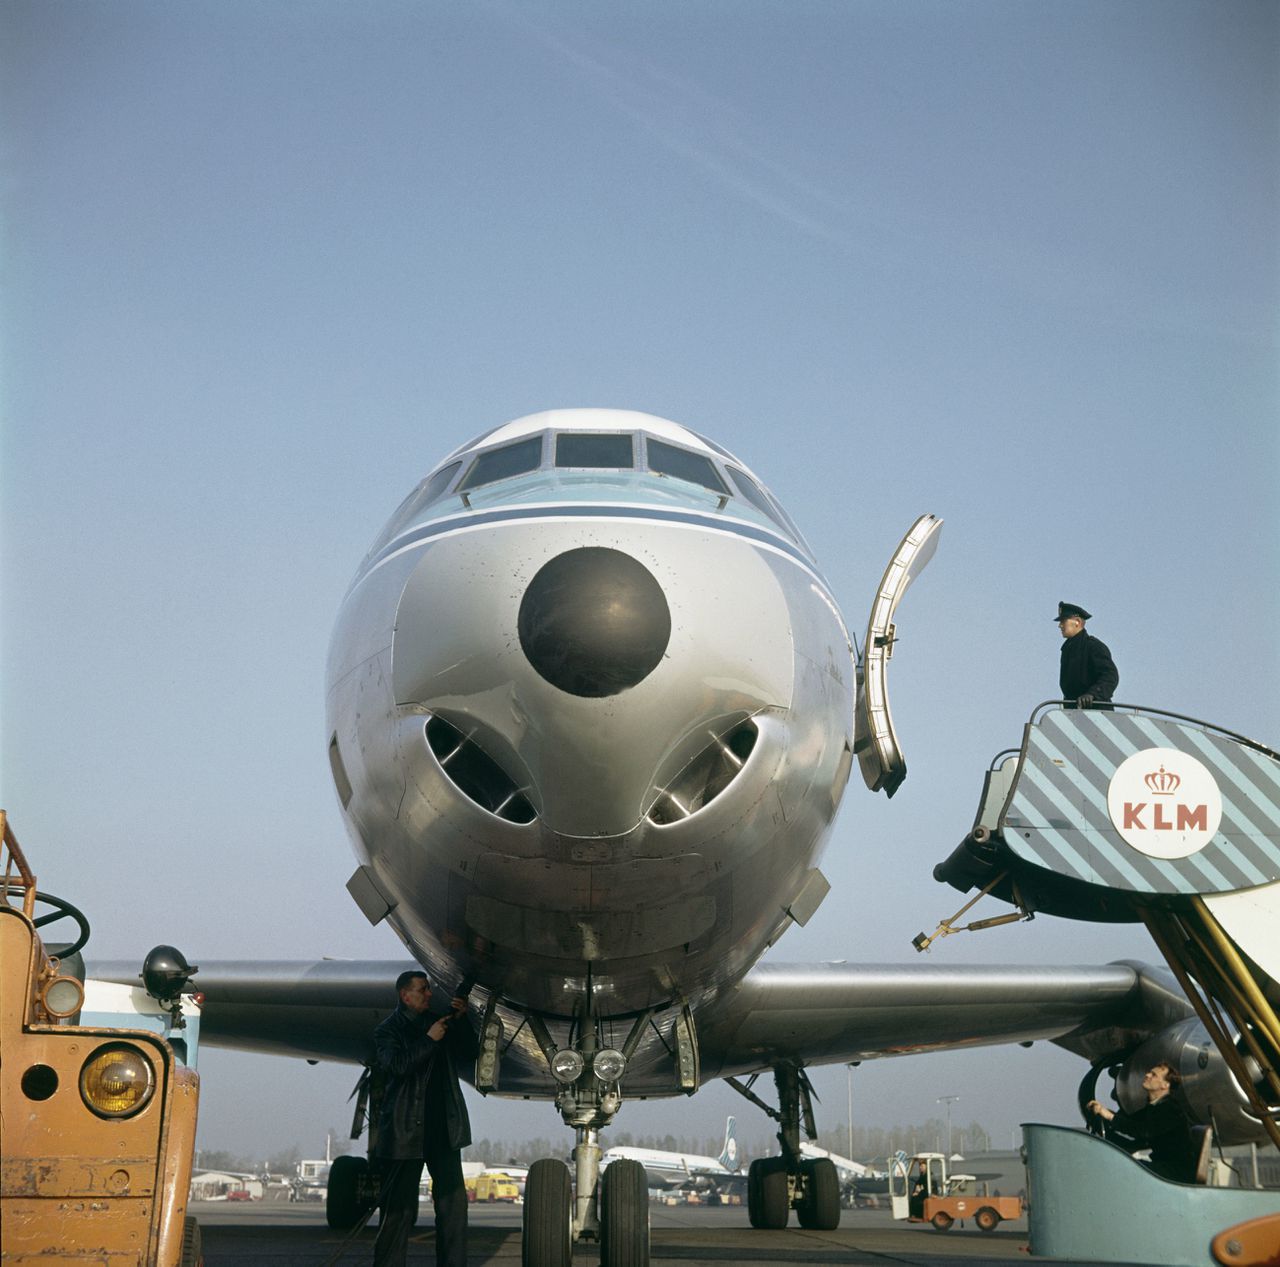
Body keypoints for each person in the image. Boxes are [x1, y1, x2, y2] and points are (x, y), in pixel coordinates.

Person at [371, 969, 478, 1267]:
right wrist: (430, 1040)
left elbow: (470, 1052)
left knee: (453, 1210)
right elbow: (397, 1066)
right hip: (405, 1137)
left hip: (444, 1133)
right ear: (406, 996)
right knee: (398, 1213)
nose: (429, 994)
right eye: (423, 989)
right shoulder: (387, 1031)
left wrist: (462, 1019)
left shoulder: (439, 1022)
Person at [1086, 1063, 1198, 1182]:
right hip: (1162, 1166)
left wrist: (1109, 1116)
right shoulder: (1154, 1107)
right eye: (1149, 1072)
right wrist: (1103, 1115)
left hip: (1176, 1173)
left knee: (1124, 1169)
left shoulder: (1171, 1109)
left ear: (1165, 1085)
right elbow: (1129, 1123)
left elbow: (1142, 1131)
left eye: (1154, 1075)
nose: (1147, 1075)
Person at [1056, 601, 1119, 708]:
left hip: (1096, 712)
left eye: (1063, 621)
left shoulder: (1093, 646)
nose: (1060, 625)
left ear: (1077, 622)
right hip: (1074, 712)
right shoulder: (1067, 650)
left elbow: (1110, 676)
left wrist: (1092, 694)